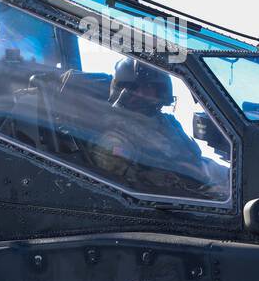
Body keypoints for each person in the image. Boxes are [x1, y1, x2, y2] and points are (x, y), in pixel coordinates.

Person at [87, 57, 210, 196]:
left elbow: (192, 160)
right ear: (124, 90)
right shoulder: (114, 139)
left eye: (152, 87)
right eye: (137, 87)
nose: (144, 93)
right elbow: (126, 190)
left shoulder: (164, 123)